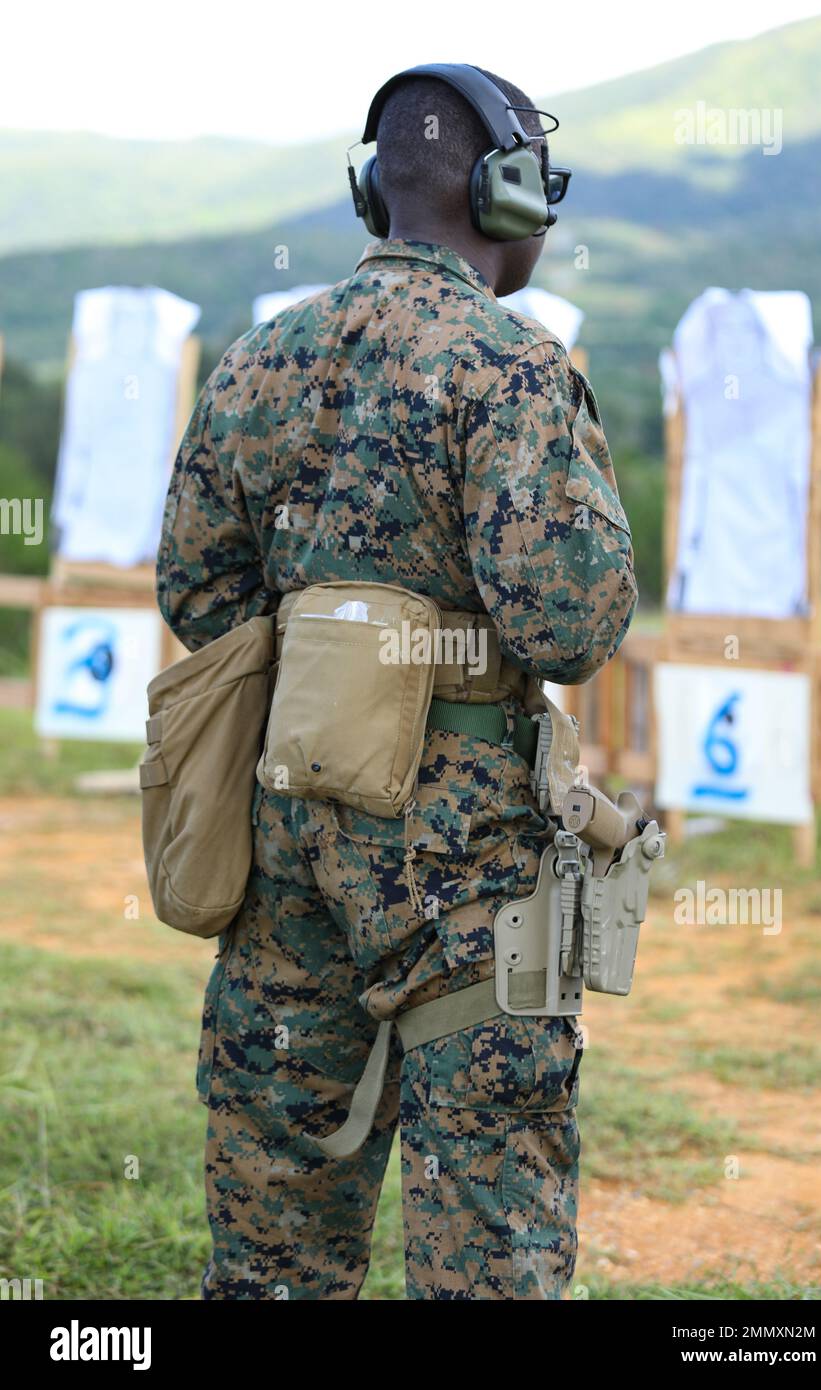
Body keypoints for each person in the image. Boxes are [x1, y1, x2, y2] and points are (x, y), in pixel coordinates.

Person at [157, 63, 637, 1301]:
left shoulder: (259, 360)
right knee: (488, 1229)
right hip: (465, 862)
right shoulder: (510, 367)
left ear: (373, 192)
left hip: (284, 833)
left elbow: (197, 597)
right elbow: (571, 620)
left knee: (274, 1233)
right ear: (510, 198)